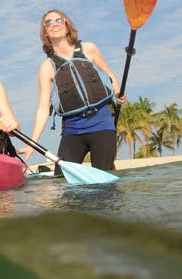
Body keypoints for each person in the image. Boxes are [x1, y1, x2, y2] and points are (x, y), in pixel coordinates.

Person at [20, 9, 125, 172]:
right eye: (49, 22)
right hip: (73, 130)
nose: (54, 24)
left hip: (102, 125)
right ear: (45, 32)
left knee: (104, 183)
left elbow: (109, 74)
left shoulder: (89, 48)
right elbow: (42, 109)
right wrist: (32, 143)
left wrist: (117, 92)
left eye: (58, 20)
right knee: (61, 180)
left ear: (67, 26)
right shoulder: (47, 67)